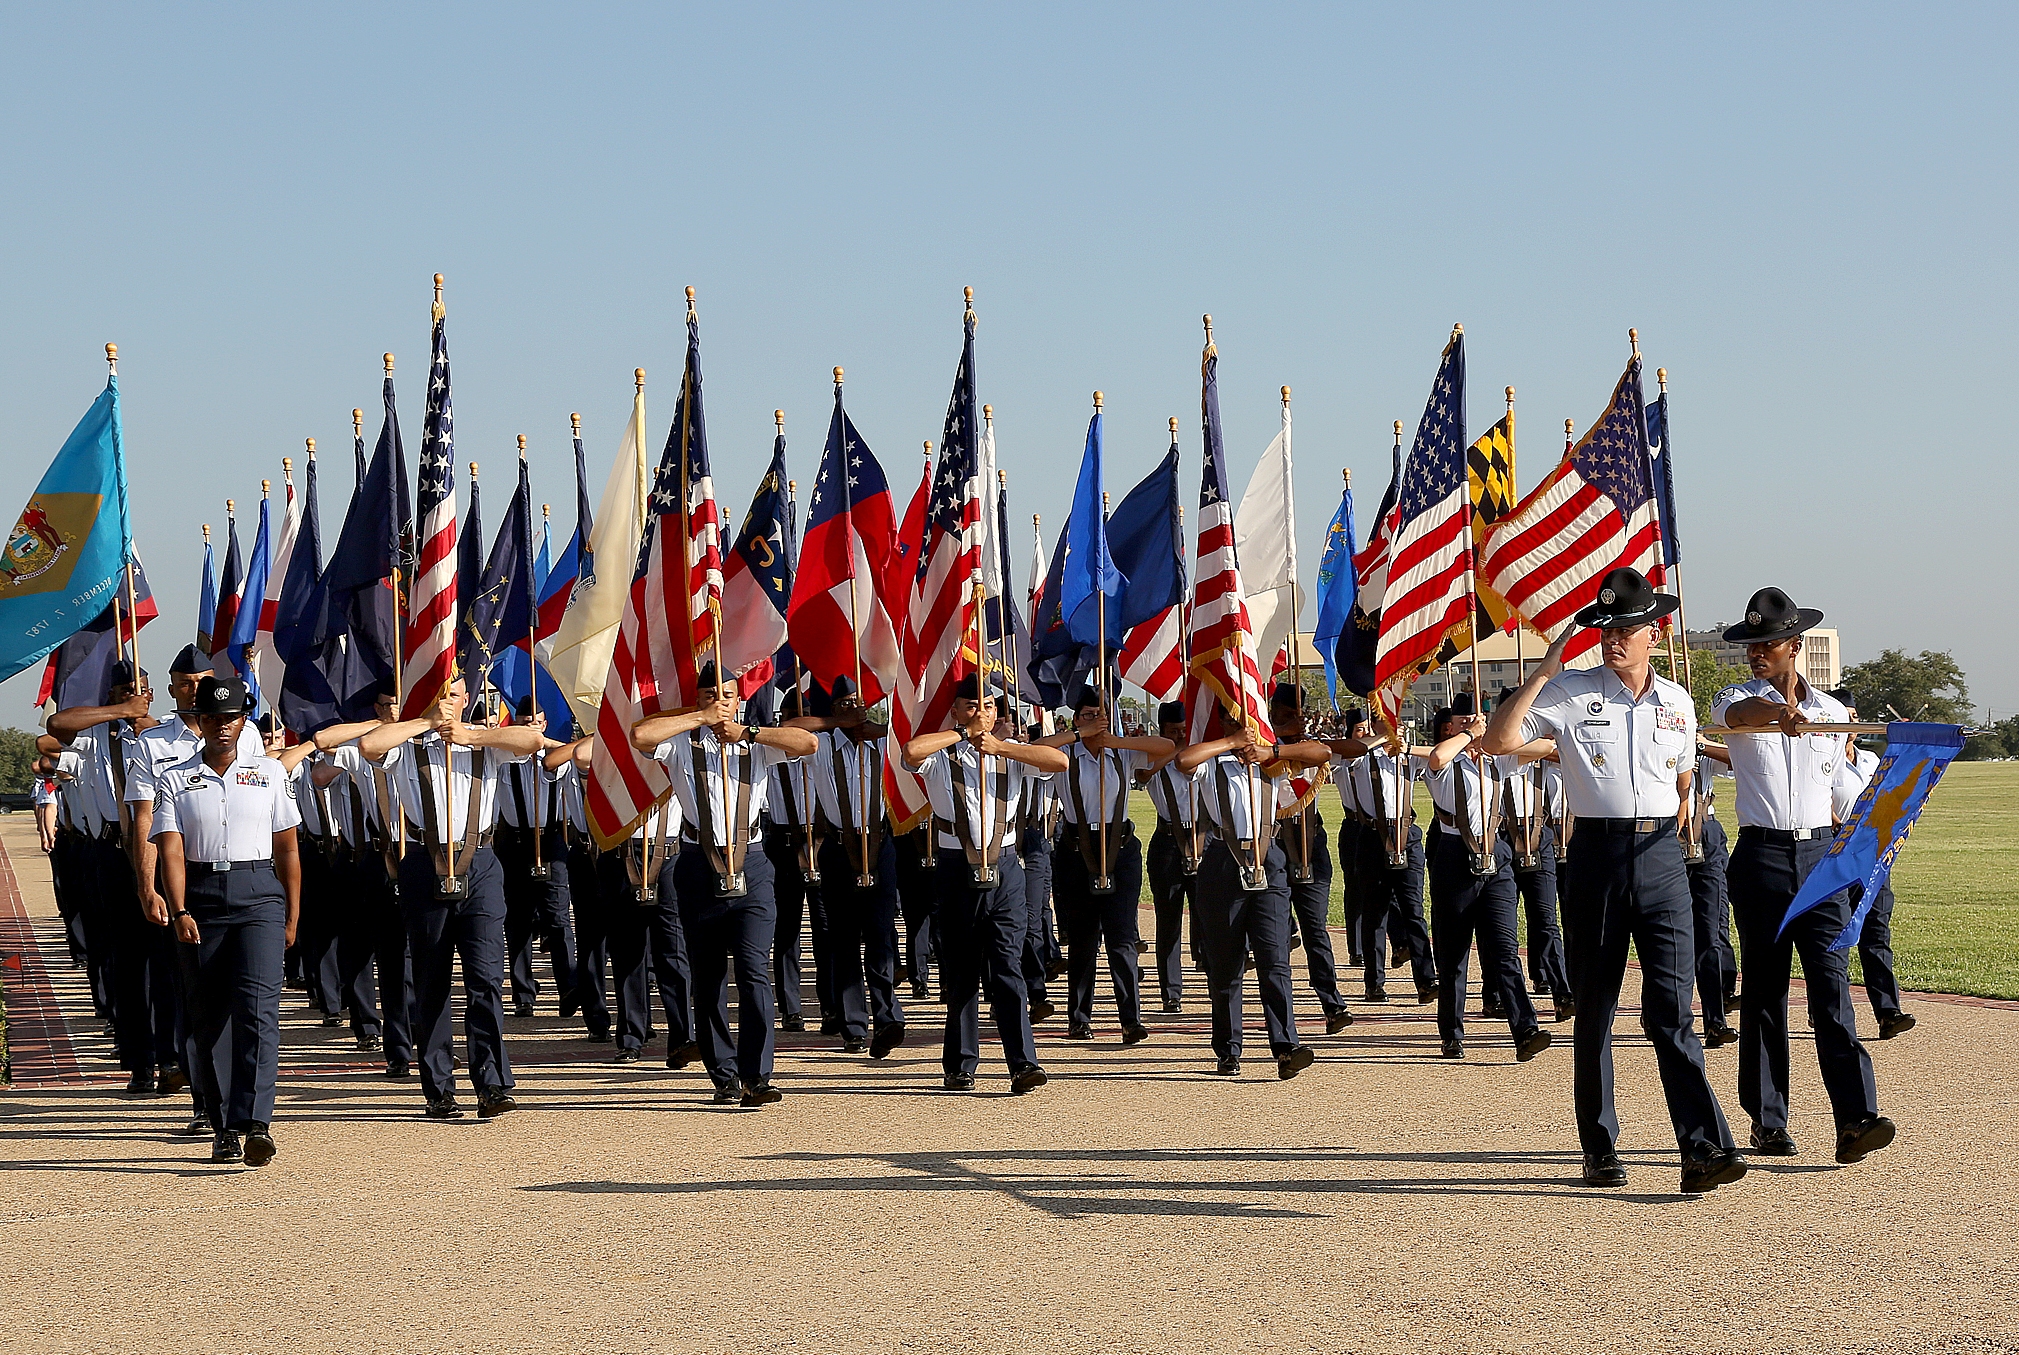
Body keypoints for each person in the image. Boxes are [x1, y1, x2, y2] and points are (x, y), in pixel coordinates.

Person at [1484, 566, 1745, 1194]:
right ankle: (1599, 1146)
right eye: (1606, 628)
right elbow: (1499, 740)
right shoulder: (1570, 692)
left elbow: (1683, 776)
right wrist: (1545, 670)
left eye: (1626, 628)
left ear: (1655, 631)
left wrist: (1682, 824)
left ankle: (1701, 1147)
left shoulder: (1678, 703)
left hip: (1662, 861)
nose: (1613, 639)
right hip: (1596, 858)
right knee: (1596, 1010)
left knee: (1670, 1010)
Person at [1713, 589, 1893, 1166]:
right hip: (1761, 857)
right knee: (1765, 992)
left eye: (1767, 643)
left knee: (1832, 988)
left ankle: (1854, 1117)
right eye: (1750, 645)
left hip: (1821, 857)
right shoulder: (1735, 700)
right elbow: (1740, 718)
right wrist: (1779, 716)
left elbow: (1845, 788)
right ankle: (1768, 1121)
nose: (1756, 653)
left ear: (1795, 646)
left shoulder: (1835, 716)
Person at [359, 674, 546, 1120]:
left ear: (468, 700)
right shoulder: (407, 742)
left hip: (479, 860)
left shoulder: (485, 740)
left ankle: (492, 1084)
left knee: (484, 979)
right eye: (441, 694)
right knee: (431, 981)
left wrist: (472, 734)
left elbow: (533, 741)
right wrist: (423, 720)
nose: (449, 702)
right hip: (425, 861)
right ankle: (438, 1087)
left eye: (456, 695)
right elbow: (369, 746)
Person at [631, 665, 818, 1106]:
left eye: (730, 694)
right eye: (712, 694)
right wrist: (700, 718)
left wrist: (748, 732)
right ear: (698, 699)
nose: (722, 701)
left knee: (754, 972)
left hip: (752, 862)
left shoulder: (758, 739)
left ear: (741, 699)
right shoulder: (681, 742)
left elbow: (807, 743)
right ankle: (724, 1072)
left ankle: (758, 1074)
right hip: (698, 863)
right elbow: (640, 737)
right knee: (709, 975)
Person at [150, 676, 302, 1167]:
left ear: (243, 720)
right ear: (200, 721)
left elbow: (287, 847)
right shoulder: (175, 777)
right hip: (202, 897)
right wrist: (179, 909)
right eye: (212, 718)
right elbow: (170, 849)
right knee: (209, 1017)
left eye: (231, 717)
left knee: (260, 1011)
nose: (222, 726)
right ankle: (221, 1125)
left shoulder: (270, 773)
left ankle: (255, 1122)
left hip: (259, 894)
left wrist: (293, 911)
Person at [901, 674, 1069, 1094]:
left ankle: (1022, 1063)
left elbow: (1059, 762)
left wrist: (1002, 746)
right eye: (972, 705)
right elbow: (910, 752)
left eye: (990, 706)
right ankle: (960, 1064)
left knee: (1008, 967)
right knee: (961, 973)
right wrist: (960, 733)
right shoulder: (943, 753)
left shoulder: (1009, 754)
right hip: (957, 868)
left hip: (1006, 866)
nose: (983, 713)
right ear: (956, 710)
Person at [1174, 700, 1338, 1079]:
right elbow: (1184, 761)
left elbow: (1322, 752)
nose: (1245, 726)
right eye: (1236, 720)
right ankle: (1228, 1048)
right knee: (1227, 963)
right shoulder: (1212, 762)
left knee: (1274, 958)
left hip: (1268, 861)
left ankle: (1285, 1046)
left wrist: (1271, 750)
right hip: (1223, 862)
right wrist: (1228, 743)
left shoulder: (1271, 761)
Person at [1036, 684, 1174, 1045]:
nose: (1096, 721)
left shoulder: (1121, 755)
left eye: (1102, 715)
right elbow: (1031, 752)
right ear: (1075, 719)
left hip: (1119, 847)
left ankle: (1130, 1017)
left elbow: (1166, 748)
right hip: (1077, 846)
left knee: (1121, 936)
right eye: (1088, 715)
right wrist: (1078, 735)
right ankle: (1079, 1017)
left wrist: (1117, 742)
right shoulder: (1065, 756)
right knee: (1082, 938)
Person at [1421, 701, 1555, 1061]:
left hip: (1496, 855)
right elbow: (1435, 758)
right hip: (1454, 853)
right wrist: (1469, 734)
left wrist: (1500, 739)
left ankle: (1524, 1028)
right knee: (1453, 955)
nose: (1476, 726)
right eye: (1464, 721)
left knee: (1504, 950)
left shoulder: (1500, 762)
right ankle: (1451, 1032)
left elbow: (1544, 746)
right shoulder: (1448, 764)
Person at [787, 676, 905, 1057]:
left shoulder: (883, 742)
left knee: (881, 934)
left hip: (880, 842)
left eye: (859, 704)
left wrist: (876, 727)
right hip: (838, 849)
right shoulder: (819, 745)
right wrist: (834, 724)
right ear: (832, 708)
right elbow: (788, 730)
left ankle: (887, 1016)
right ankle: (854, 1023)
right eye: (845, 705)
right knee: (844, 939)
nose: (854, 710)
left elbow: (912, 737)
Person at [314, 682, 419, 1078]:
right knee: (390, 956)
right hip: (379, 855)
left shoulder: (422, 741)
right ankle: (396, 1047)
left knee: (424, 957)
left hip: (424, 853)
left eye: (399, 705)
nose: (394, 712)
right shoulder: (364, 749)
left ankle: (426, 1039)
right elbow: (323, 743)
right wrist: (373, 726)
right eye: (386, 706)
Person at [1267, 683, 1354, 1036]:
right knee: (1275, 937)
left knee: (1316, 929)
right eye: (1287, 715)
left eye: (1299, 715)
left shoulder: (1313, 748)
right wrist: (1280, 738)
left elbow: (1354, 747)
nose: (1295, 721)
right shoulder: (1264, 747)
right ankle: (1283, 1017)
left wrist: (1304, 741)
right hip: (1272, 844)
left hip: (1309, 844)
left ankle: (1333, 1004)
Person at [1828, 688, 1915, 1041]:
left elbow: (1894, 789)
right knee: (1834, 933)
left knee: (1876, 929)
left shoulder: (1869, 761)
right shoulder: (1824, 760)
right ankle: (1828, 1006)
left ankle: (1887, 1011)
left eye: (1854, 717)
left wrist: (1906, 740)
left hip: (1873, 856)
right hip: (1833, 853)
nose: (1851, 724)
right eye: (1842, 718)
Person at [495, 701, 580, 1020]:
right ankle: (523, 994)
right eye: (523, 721)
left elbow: (574, 752)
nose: (530, 725)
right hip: (514, 841)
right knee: (516, 922)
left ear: (544, 724)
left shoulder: (553, 756)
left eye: (536, 721)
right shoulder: (502, 758)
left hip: (551, 838)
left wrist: (542, 743)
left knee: (557, 918)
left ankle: (568, 987)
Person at [1348, 721, 1437, 1005]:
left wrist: (1406, 747)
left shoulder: (1409, 758)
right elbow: (1348, 753)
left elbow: (1437, 755)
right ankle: (1374, 982)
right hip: (1373, 835)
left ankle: (1426, 979)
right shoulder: (1363, 759)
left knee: (1414, 910)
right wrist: (1379, 739)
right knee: (1375, 913)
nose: (1395, 733)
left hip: (1406, 834)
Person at [761, 685, 828, 1034]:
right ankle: (790, 1008)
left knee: (825, 929)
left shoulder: (824, 748)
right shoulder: (770, 748)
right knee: (785, 931)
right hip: (782, 844)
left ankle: (830, 1005)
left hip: (819, 840)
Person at [1501, 713, 1571, 1021]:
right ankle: (1495, 992)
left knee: (1545, 917)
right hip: (1500, 837)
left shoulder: (1542, 754)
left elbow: (1551, 748)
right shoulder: (1497, 750)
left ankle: (1561, 990)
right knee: (1502, 926)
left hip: (1537, 835)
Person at [1141, 700, 1201, 1014]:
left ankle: (1211, 972)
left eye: (1183, 731)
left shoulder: (1202, 755)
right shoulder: (1155, 758)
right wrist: (1173, 752)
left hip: (1204, 839)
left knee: (1208, 916)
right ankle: (1171, 991)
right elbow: (1141, 774)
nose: (1179, 736)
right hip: (1168, 842)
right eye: (1172, 732)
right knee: (1169, 921)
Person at [1686, 738, 1740, 1046]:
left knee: (1711, 929)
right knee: (1667, 933)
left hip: (1704, 831)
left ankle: (1714, 1020)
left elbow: (1736, 759)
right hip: (1665, 831)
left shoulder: (1701, 746)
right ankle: (1656, 1010)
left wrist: (1700, 744)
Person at [1017, 724, 1063, 1026]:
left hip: (1036, 838)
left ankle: (1036, 990)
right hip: (997, 841)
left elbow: (1050, 761)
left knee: (1034, 915)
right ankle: (1002, 993)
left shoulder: (1023, 755)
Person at [1330, 708, 1373, 968]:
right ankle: (1356, 948)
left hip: (1374, 826)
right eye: (1359, 729)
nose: (1366, 734)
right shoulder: (1341, 758)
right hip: (1353, 825)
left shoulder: (1375, 755)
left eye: (1368, 728)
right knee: (1355, 889)